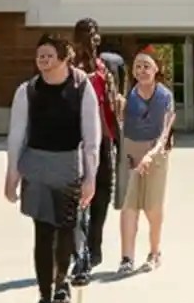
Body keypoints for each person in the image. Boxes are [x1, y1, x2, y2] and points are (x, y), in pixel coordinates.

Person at [6, 34, 99, 303]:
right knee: (43, 232)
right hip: (36, 166)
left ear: (64, 57)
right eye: (40, 55)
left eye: (48, 55)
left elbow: (92, 138)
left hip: (69, 165)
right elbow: (17, 134)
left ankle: (61, 282)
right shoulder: (28, 91)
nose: (43, 60)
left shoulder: (82, 88)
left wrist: (90, 176)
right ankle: (44, 299)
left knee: (67, 231)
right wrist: (12, 174)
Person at [68, 18, 123, 286]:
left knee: (102, 194)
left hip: (104, 140)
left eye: (94, 35)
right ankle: (81, 253)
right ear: (76, 39)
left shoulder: (106, 68)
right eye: (85, 35)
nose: (91, 40)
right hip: (77, 143)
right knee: (79, 197)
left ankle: (94, 246)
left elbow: (115, 104)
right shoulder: (68, 69)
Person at [117, 51, 175, 275]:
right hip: (131, 154)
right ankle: (126, 257)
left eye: (146, 66)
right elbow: (121, 126)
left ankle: (154, 252)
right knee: (129, 207)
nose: (142, 71)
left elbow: (165, 132)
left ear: (156, 70)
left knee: (152, 207)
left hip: (156, 155)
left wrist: (151, 155)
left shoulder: (165, 96)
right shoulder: (126, 97)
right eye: (138, 66)